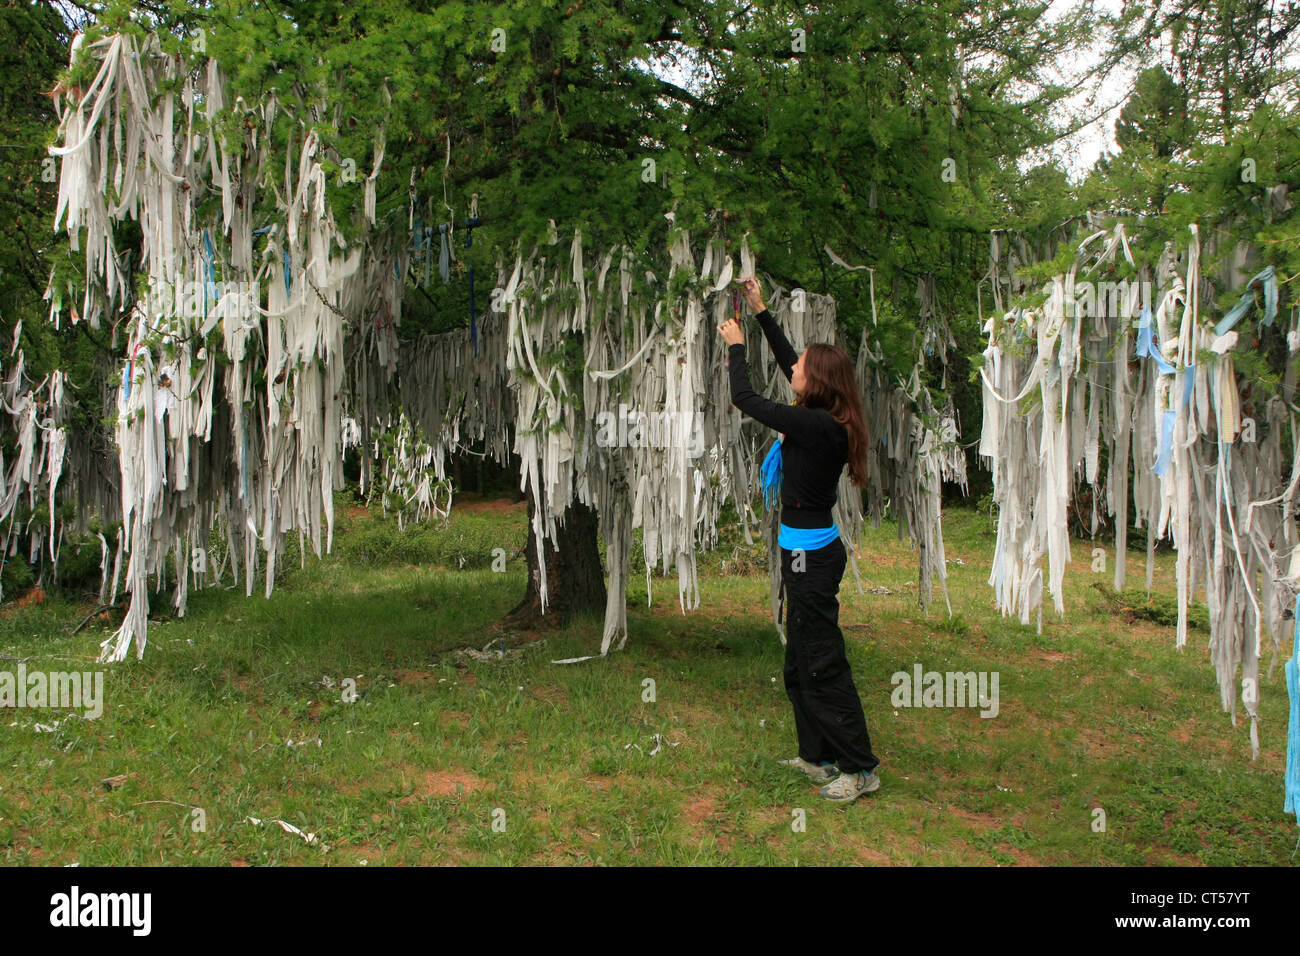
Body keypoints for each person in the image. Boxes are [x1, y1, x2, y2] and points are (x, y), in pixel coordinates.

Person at [717, 274, 881, 803]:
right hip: (802, 550)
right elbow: (791, 359)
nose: (795, 370)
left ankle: (859, 768)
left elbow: (744, 397)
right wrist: (761, 309)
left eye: (803, 368)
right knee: (799, 660)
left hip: (811, 556)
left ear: (817, 383)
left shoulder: (815, 426)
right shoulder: (823, 415)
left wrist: (736, 347)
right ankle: (817, 756)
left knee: (822, 659)